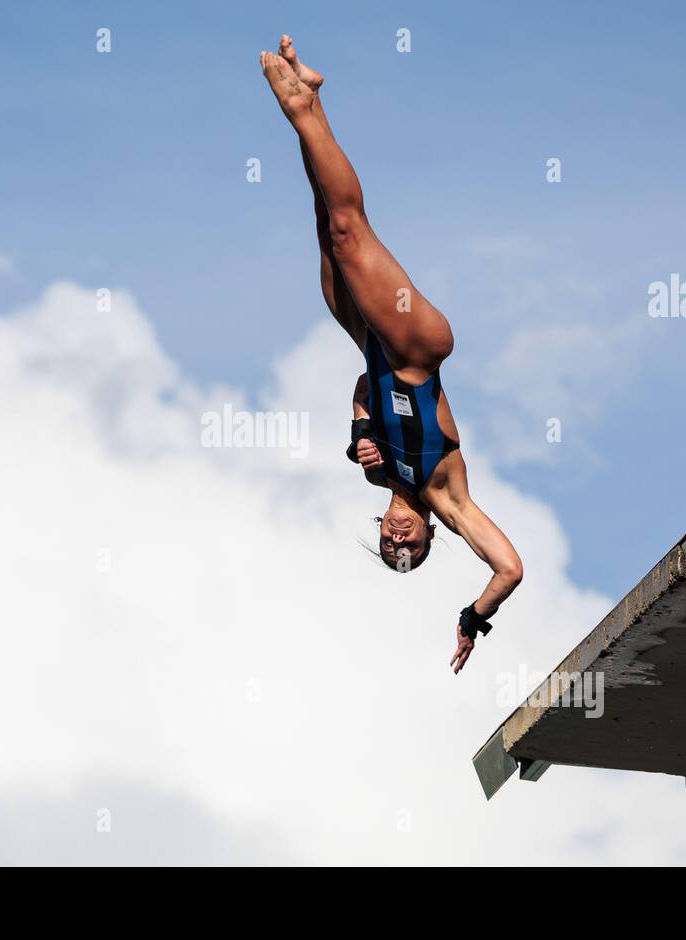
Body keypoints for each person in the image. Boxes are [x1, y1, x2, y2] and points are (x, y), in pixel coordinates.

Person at [261, 36, 523, 673]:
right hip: (415, 344)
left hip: (371, 346)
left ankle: (312, 100)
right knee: (351, 231)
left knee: (329, 227)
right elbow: (511, 568)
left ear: (380, 527)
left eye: (387, 544)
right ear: (433, 534)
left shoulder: (375, 470)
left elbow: (361, 386)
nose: (398, 538)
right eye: (410, 546)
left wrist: (358, 432)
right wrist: (473, 616)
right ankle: (300, 109)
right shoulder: (448, 501)